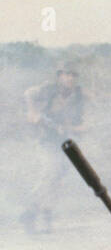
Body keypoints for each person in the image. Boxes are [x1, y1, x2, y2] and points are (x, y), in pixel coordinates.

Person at [20, 67, 85, 234]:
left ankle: (46, 214)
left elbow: (80, 122)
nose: (70, 78)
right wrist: (33, 112)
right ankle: (29, 212)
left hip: (63, 142)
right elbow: (28, 93)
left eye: (72, 74)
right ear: (60, 76)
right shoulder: (49, 89)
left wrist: (70, 128)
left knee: (58, 180)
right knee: (50, 172)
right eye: (67, 74)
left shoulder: (77, 95)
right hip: (46, 140)